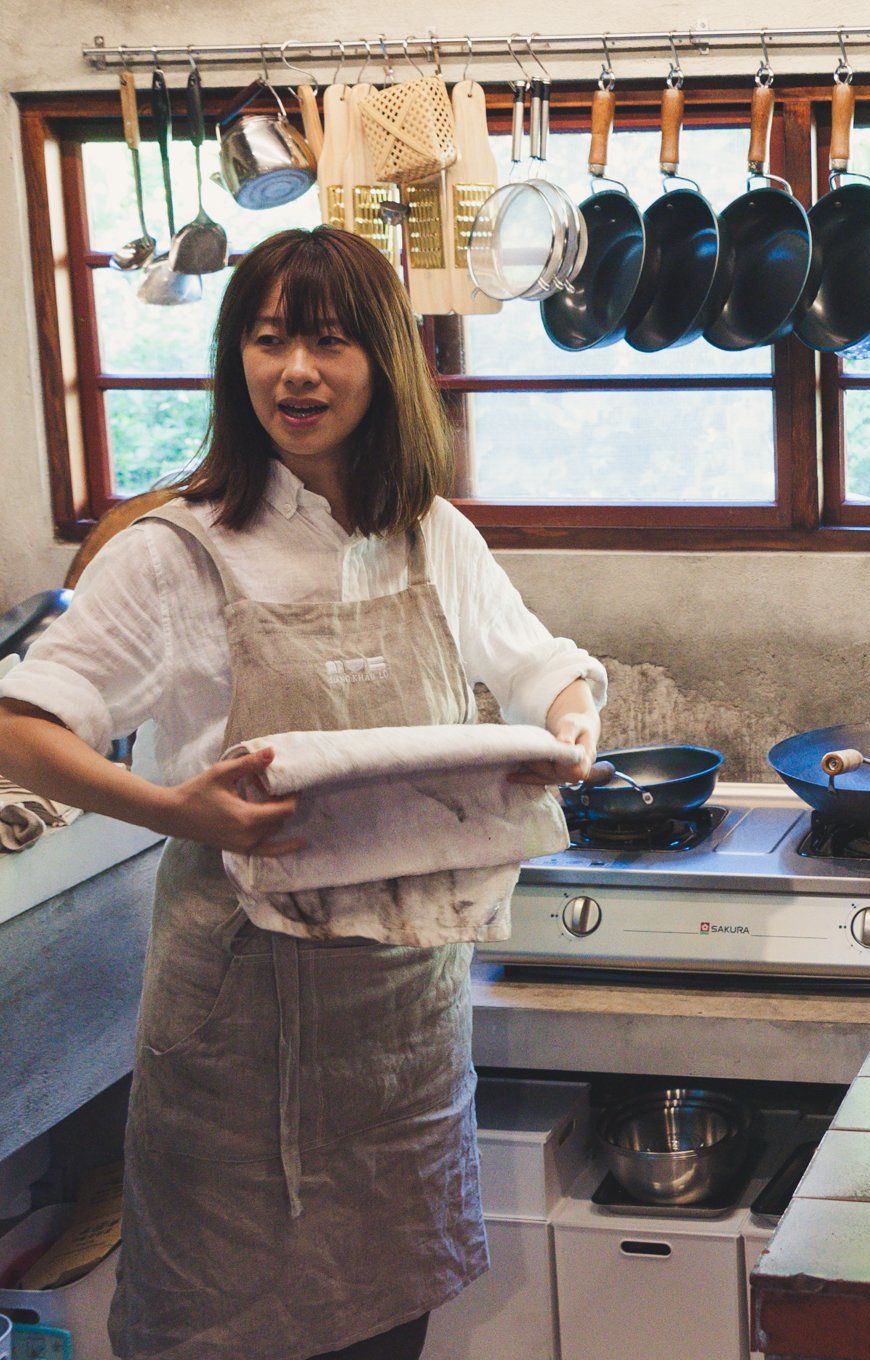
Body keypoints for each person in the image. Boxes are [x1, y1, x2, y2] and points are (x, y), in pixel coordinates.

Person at [0, 226, 606, 1360]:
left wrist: (569, 728)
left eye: (328, 342)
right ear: (235, 357)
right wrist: (176, 811)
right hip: (238, 1034)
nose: (295, 372)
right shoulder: (175, 550)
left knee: (388, 1332)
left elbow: (543, 669)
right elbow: (18, 729)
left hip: (401, 1031)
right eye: (269, 339)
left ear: (383, 362)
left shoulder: (426, 533)